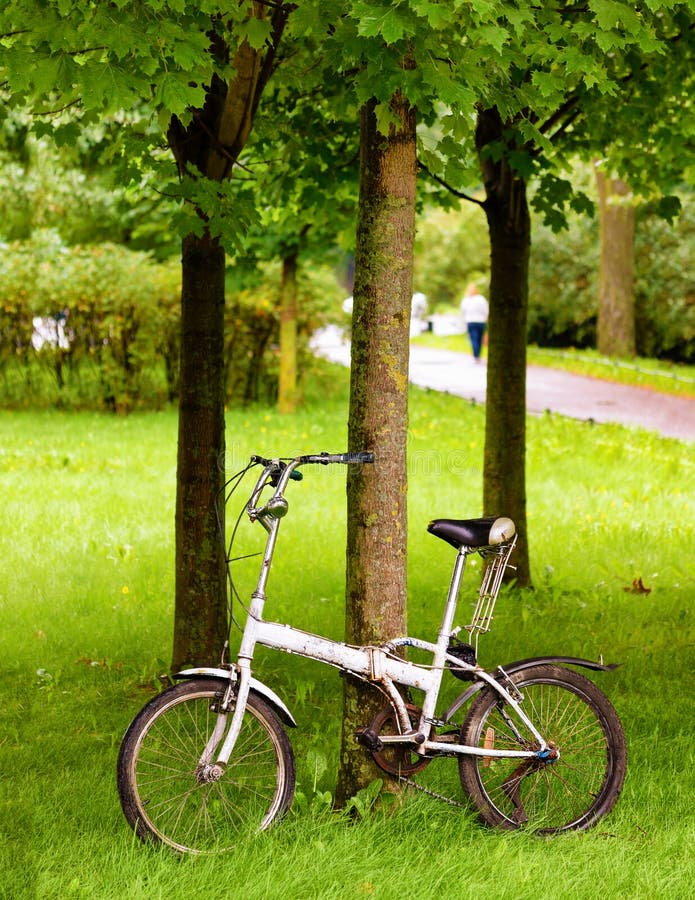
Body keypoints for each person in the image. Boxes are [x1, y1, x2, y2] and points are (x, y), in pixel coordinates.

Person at [460, 283, 489, 362]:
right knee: (479, 338)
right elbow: (486, 310)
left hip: (471, 321)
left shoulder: (466, 300)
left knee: (474, 338)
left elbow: (463, 311)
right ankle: (477, 354)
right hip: (481, 321)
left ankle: (476, 355)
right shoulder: (481, 299)